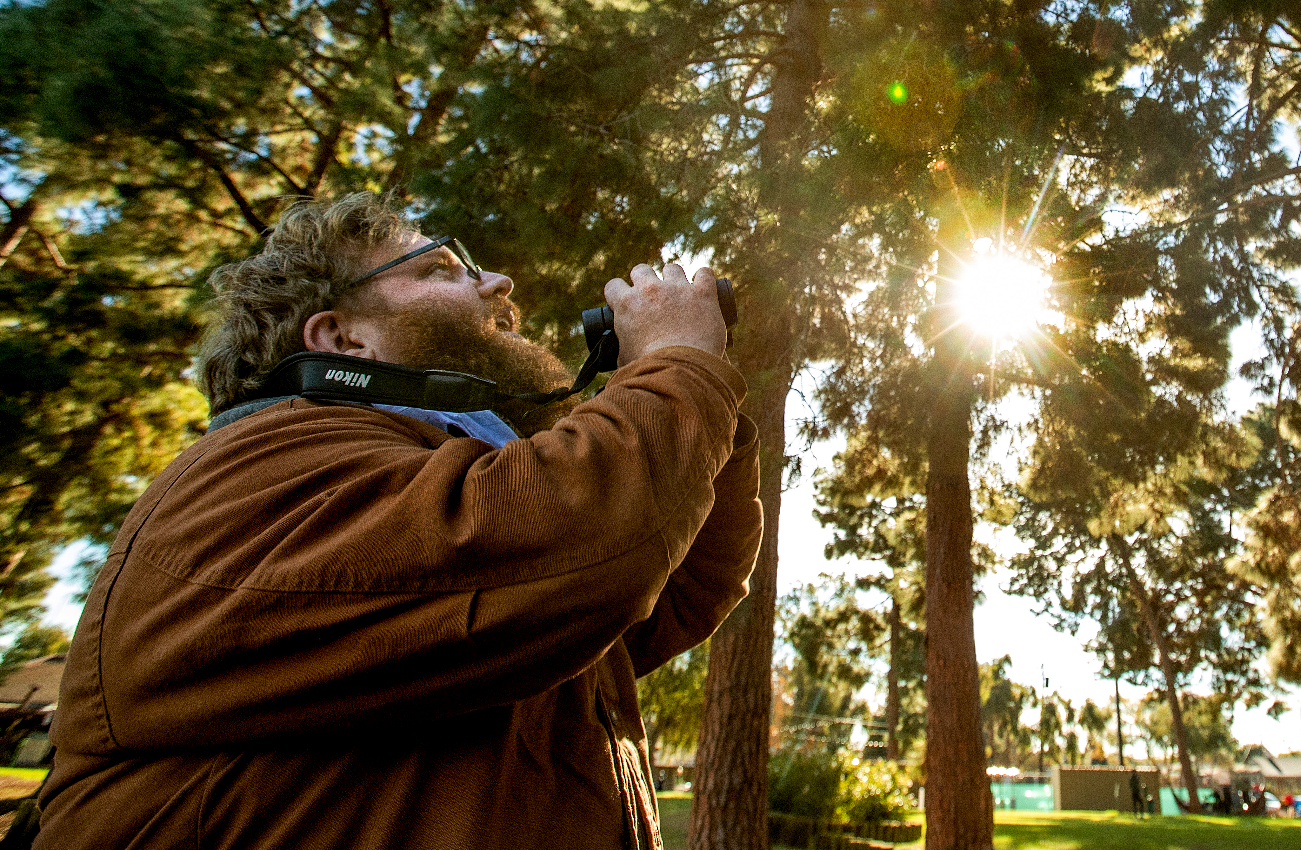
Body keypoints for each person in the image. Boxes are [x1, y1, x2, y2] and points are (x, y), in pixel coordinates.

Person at [36, 195, 760, 850]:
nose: (498, 285)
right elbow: (578, 545)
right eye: (444, 270)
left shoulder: (438, 472)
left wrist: (704, 411)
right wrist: (677, 368)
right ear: (344, 340)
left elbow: (679, 592)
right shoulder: (257, 467)